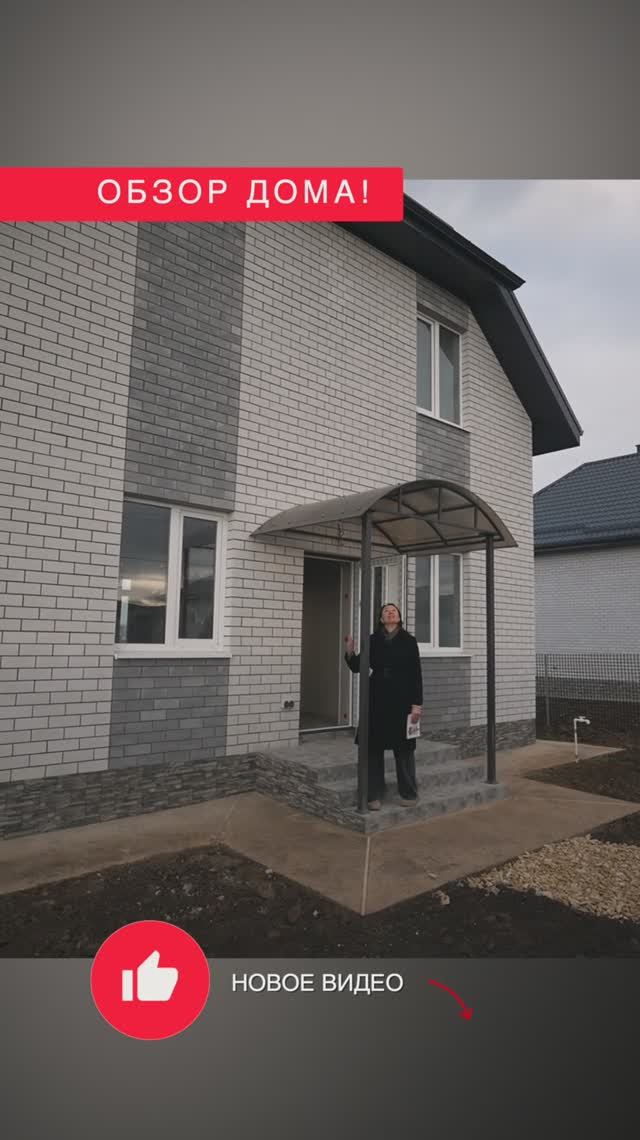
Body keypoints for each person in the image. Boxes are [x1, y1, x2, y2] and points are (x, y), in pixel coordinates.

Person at [345, 603, 423, 811]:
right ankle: (373, 794)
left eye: (394, 611)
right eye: (386, 611)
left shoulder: (409, 641)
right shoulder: (372, 640)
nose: (390, 612)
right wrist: (350, 652)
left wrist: (417, 704)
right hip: (377, 697)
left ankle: (409, 792)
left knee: (404, 749)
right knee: (373, 748)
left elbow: (416, 673)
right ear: (381, 619)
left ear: (399, 617)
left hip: (402, 698)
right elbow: (358, 667)